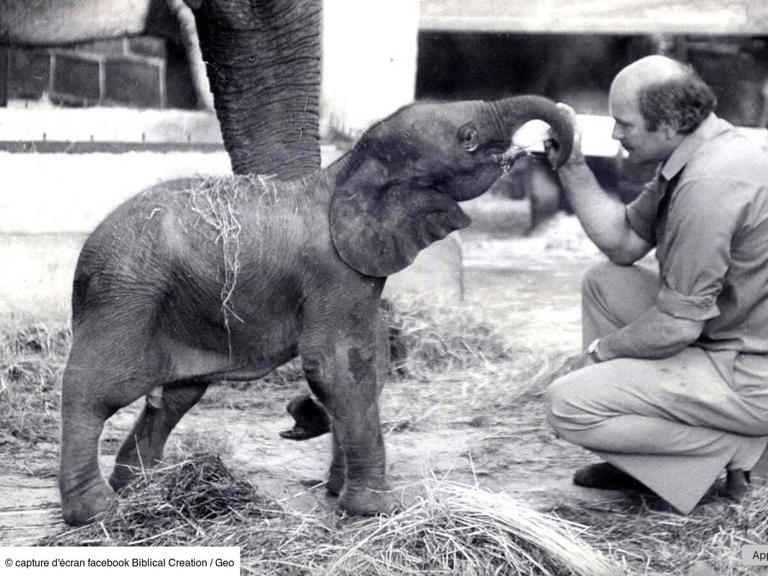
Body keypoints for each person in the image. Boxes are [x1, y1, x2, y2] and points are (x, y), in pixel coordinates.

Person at [543, 55, 768, 513]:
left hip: (749, 373)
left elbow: (676, 326)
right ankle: (642, 463)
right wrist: (572, 166)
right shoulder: (698, 150)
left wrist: (596, 355)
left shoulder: (710, 182)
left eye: (624, 124)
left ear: (667, 123)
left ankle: (740, 449)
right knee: (606, 284)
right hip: (727, 336)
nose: (615, 135)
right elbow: (624, 243)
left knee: (567, 403)